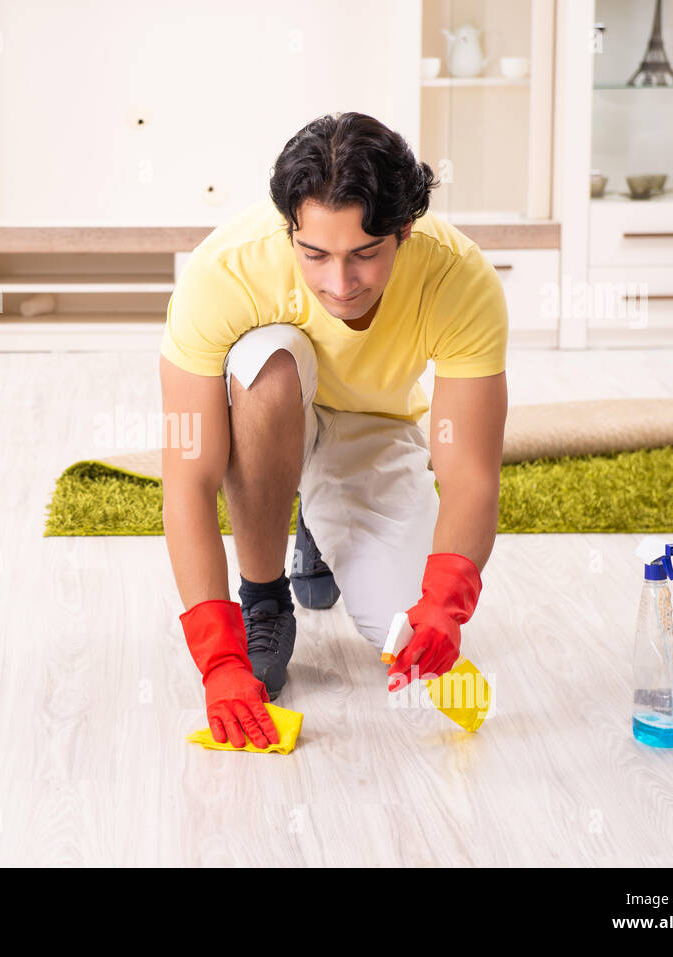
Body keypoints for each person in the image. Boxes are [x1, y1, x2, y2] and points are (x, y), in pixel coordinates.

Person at [159, 111, 508, 749]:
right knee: (270, 361)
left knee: (402, 628)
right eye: (314, 254)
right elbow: (188, 476)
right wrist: (221, 659)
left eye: (365, 255)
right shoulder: (224, 272)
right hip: (273, 404)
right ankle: (266, 595)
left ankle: (318, 532)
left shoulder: (460, 278)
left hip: (371, 428)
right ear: (289, 228)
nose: (339, 283)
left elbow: (471, 471)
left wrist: (447, 599)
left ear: (404, 230)